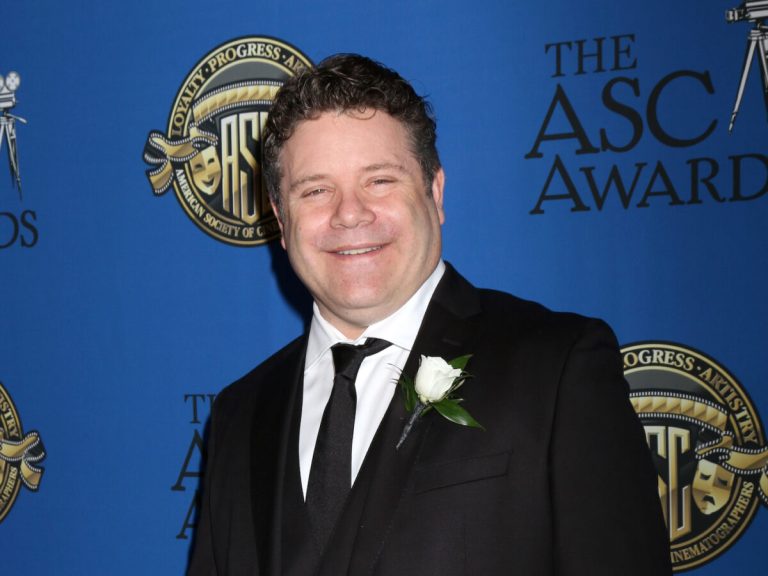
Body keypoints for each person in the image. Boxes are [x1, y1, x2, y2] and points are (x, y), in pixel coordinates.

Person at [188, 54, 671, 576]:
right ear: (282, 222)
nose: (349, 213)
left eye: (379, 180)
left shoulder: (556, 369)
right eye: (316, 190)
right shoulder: (241, 414)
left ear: (434, 193)